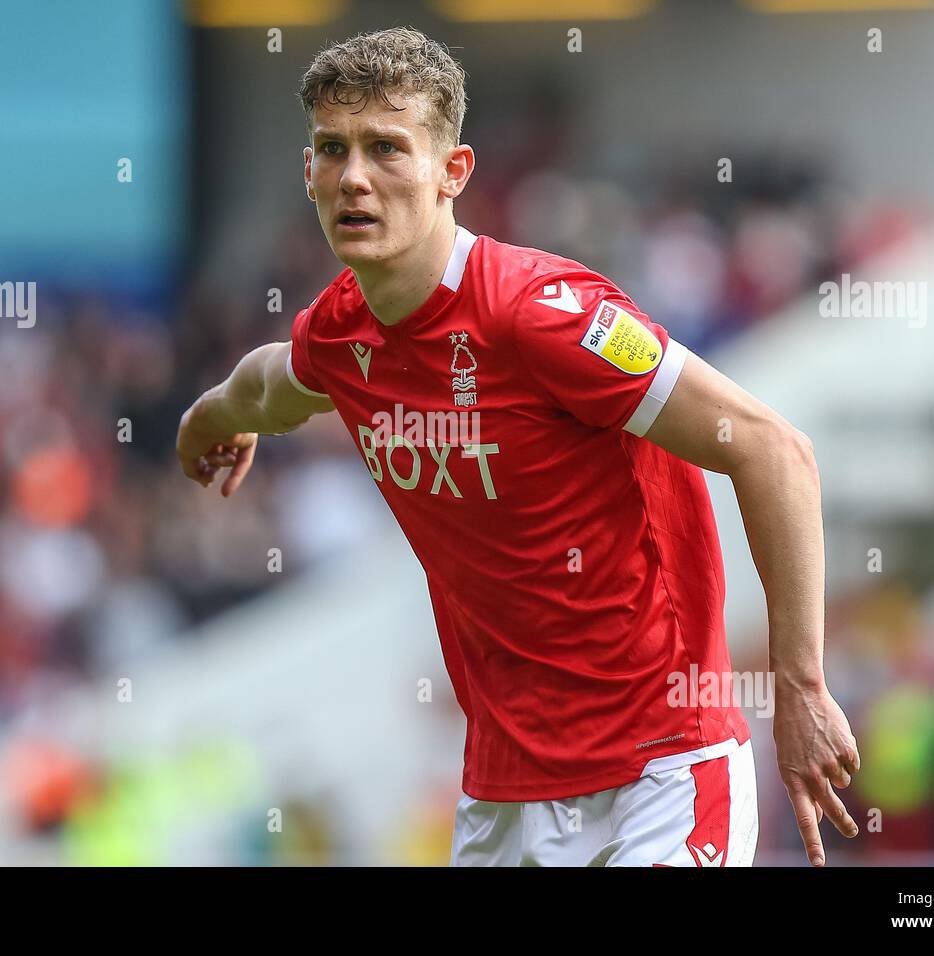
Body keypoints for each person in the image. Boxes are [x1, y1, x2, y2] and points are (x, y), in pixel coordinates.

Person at [176, 27, 860, 866]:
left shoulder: (543, 313)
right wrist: (208, 419)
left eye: (387, 148)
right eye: (332, 150)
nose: (355, 176)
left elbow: (770, 447)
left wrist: (800, 686)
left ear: (451, 174)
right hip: (504, 796)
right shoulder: (339, 335)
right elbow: (268, 382)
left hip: (664, 770)